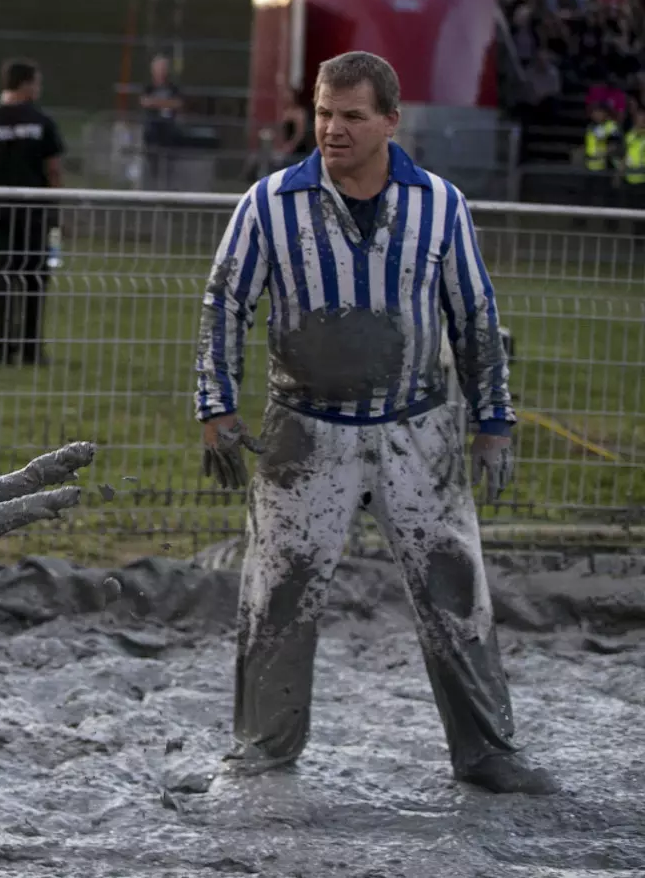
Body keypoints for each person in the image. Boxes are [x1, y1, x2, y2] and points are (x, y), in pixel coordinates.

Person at [193, 51, 559, 796]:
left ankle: (488, 750)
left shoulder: (440, 205)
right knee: (278, 593)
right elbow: (224, 303)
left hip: (419, 432)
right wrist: (216, 410)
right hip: (304, 433)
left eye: (353, 116)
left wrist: (494, 420)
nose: (332, 129)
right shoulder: (269, 203)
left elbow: (475, 315)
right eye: (325, 113)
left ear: (392, 121)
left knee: (455, 590)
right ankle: (264, 749)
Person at [0, 58, 64, 366]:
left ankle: (0, 351)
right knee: (34, 279)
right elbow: (54, 169)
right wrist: (58, 207)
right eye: (36, 82)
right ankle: (31, 350)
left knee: (1, 279)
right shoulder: (41, 121)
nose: (38, 88)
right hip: (35, 214)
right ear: (25, 84)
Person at [139, 53, 183, 188]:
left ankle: (167, 187)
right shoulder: (148, 87)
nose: (161, 71)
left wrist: (156, 103)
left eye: (164, 68)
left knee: (168, 162)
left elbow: (177, 103)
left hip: (168, 130)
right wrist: (164, 103)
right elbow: (145, 102)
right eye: (159, 68)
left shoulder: (173, 88)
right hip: (152, 131)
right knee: (152, 159)